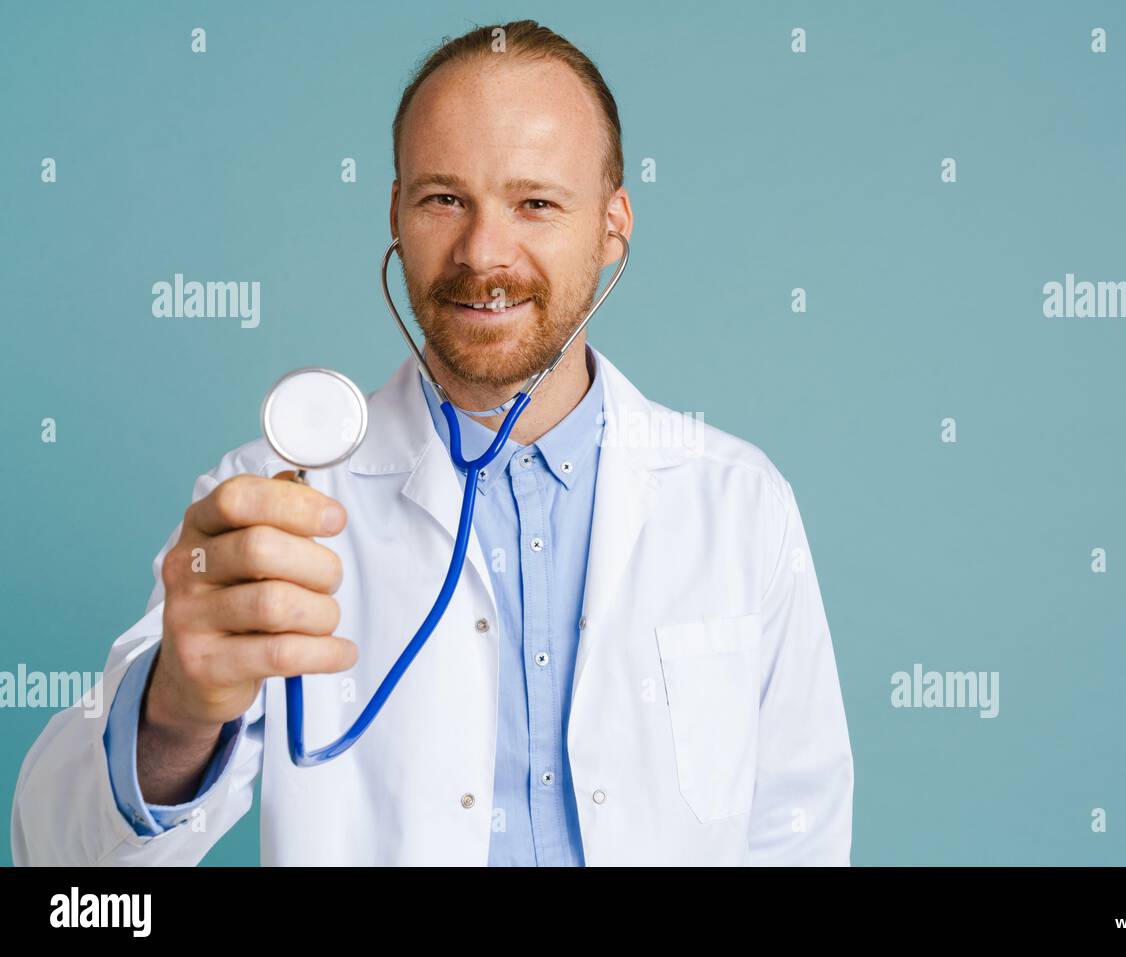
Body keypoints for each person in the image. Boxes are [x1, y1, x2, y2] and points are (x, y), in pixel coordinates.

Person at [11, 19, 853, 866]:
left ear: (610, 227)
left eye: (536, 203)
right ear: (396, 213)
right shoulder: (274, 499)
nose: (484, 252)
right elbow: (64, 868)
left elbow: (800, 829)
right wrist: (179, 708)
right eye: (445, 198)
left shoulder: (739, 503)